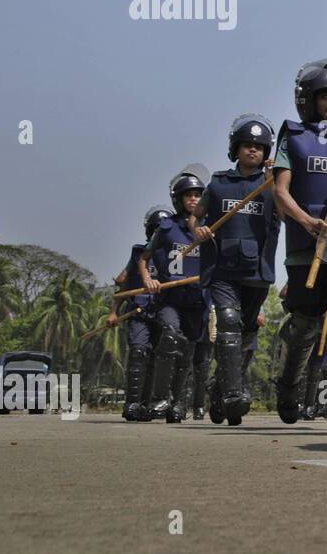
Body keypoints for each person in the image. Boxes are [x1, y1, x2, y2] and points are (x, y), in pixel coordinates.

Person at [272, 58, 327, 424]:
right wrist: (306, 220)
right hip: (303, 246)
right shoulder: (292, 135)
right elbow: (280, 192)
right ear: (308, 99)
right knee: (305, 325)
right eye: (324, 96)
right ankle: (289, 386)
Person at [190, 115, 281, 426]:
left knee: (245, 334)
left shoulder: (272, 184)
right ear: (236, 148)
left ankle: (218, 391)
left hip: (257, 271)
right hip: (223, 269)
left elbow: (284, 213)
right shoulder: (218, 184)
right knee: (228, 321)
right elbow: (195, 217)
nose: (252, 151)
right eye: (247, 145)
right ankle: (233, 393)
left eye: (258, 146)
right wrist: (198, 230)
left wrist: (276, 180)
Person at [139, 168, 209, 422]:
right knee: (169, 336)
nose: (193, 200)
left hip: (197, 299)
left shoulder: (209, 230)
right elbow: (144, 259)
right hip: (170, 298)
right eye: (188, 195)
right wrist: (148, 279)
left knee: (188, 351)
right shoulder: (166, 228)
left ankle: (178, 403)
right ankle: (160, 398)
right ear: (178, 199)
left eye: (198, 196)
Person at [110, 207, 169, 422]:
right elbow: (122, 285)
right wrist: (113, 313)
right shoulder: (138, 253)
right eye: (155, 231)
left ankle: (146, 405)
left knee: (155, 359)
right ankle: (132, 404)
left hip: (162, 313)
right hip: (138, 312)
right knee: (138, 352)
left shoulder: (176, 257)